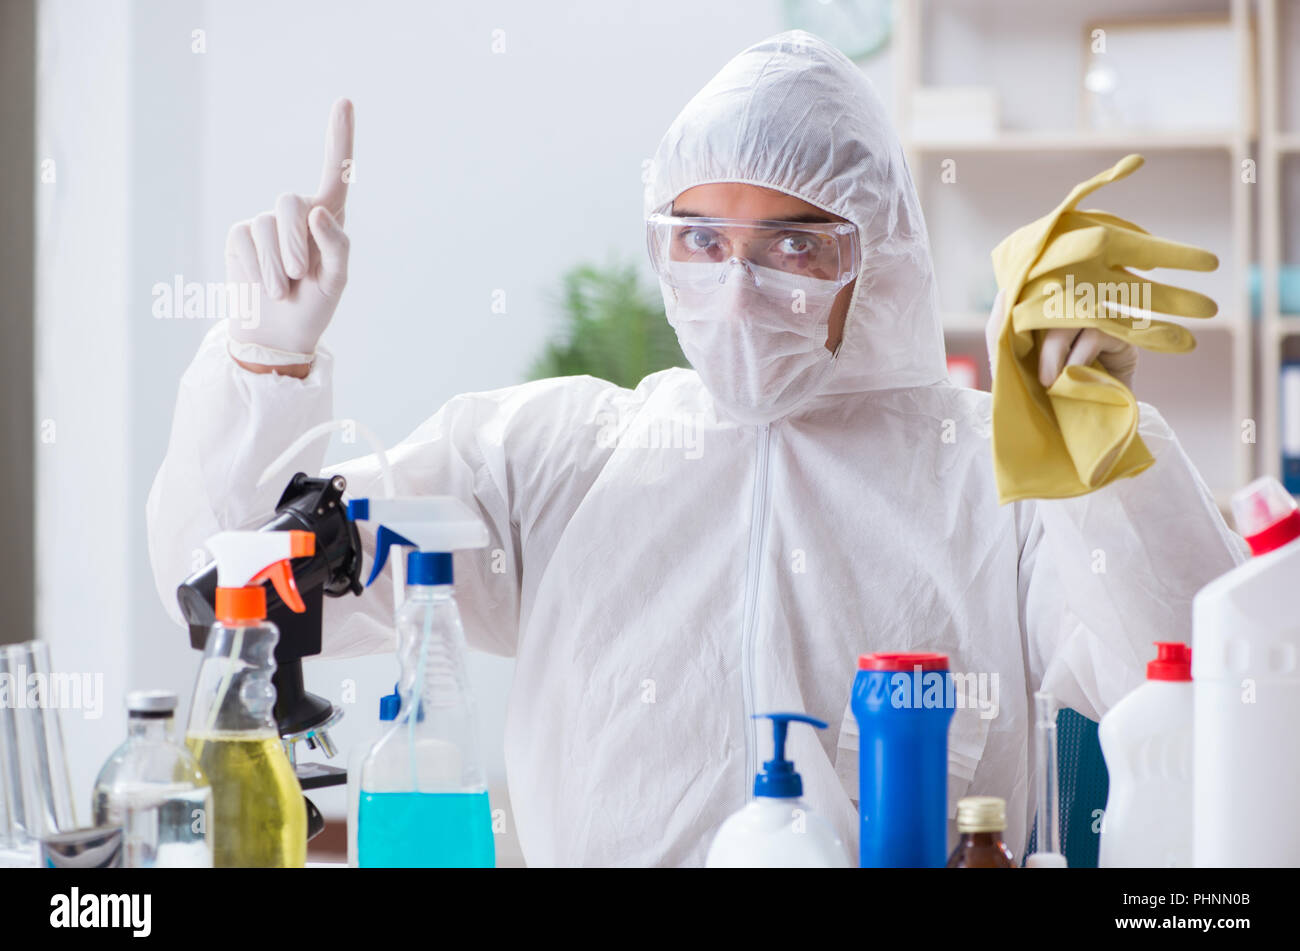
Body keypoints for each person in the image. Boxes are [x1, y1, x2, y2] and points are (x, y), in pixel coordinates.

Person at [147, 31, 1245, 866]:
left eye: (794, 243)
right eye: (701, 239)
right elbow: (221, 588)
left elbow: (1207, 688)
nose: (735, 284)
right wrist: (267, 362)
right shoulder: (552, 459)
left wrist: (1107, 461)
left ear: (881, 256)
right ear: (658, 242)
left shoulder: (991, 470)